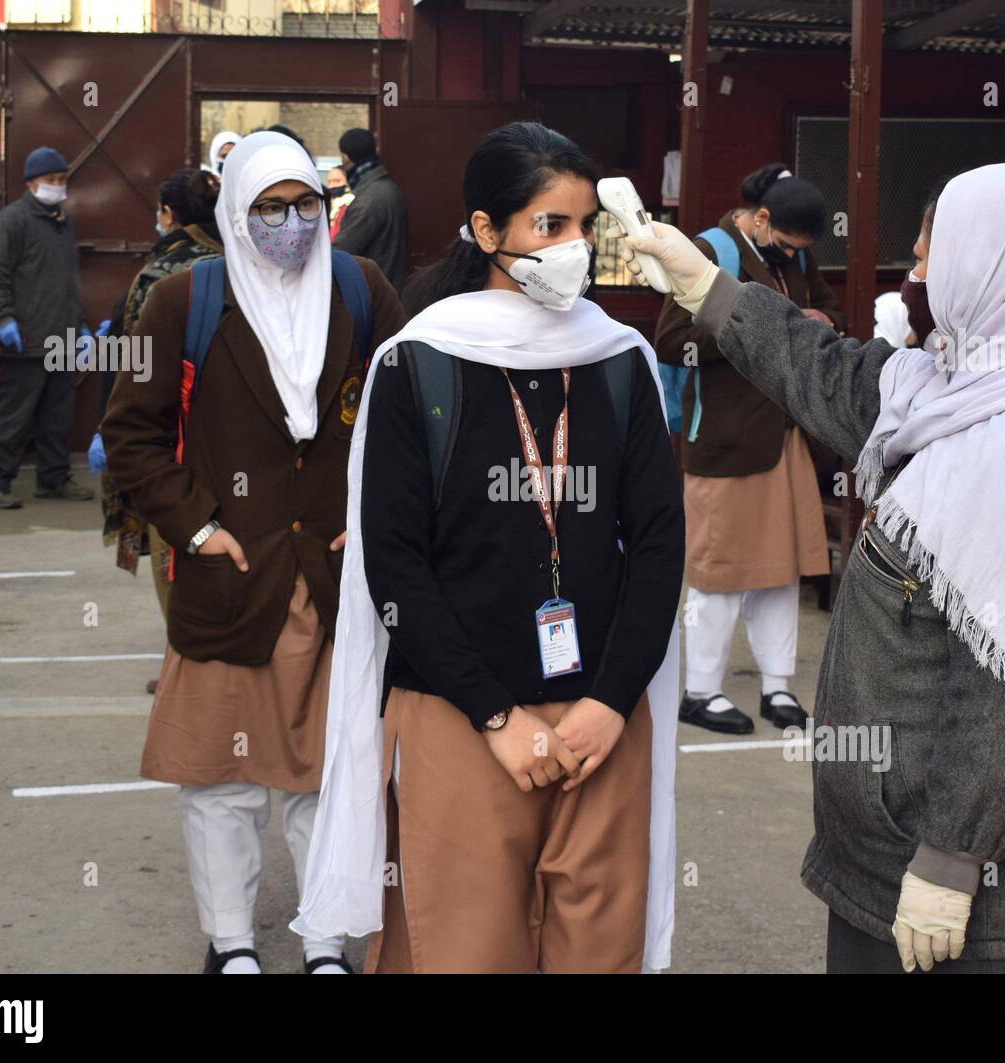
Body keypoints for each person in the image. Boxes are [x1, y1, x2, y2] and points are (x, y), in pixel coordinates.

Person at [620, 162, 1005, 973]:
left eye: (934, 250)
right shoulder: (952, 391)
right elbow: (827, 369)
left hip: (984, 916)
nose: (917, 270)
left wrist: (952, 857)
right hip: (892, 869)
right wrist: (708, 287)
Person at [291, 121, 684, 973]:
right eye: (552, 226)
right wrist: (497, 717)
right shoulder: (418, 365)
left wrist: (612, 701)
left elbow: (657, 546)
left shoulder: (621, 361)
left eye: (587, 227)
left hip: (601, 722)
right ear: (485, 230)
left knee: (599, 951)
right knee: (462, 948)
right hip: (459, 719)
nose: (576, 249)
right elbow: (394, 563)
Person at [101, 131, 406, 975]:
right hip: (231, 578)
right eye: (269, 208)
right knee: (223, 782)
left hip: (335, 578)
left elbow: (414, 411)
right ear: (237, 212)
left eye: (306, 203)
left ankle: (323, 940)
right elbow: (129, 433)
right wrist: (197, 527)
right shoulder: (183, 302)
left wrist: (379, 513)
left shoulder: (360, 289)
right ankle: (231, 940)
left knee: (327, 773)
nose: (291, 223)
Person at [656, 165, 840, 734]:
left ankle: (777, 687)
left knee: (781, 572)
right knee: (719, 574)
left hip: (785, 437)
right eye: (783, 245)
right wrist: (752, 327)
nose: (790, 257)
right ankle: (700, 692)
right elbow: (669, 341)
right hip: (726, 439)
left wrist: (820, 319)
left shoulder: (798, 257)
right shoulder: (709, 254)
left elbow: (830, 310)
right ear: (761, 220)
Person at [92, 169, 224, 694]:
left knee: (175, 546)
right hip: (230, 437)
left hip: (171, 437)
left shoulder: (161, 274)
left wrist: (113, 427)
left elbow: (136, 366)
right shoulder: (234, 262)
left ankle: (184, 661)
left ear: (168, 215)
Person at [0, 146, 96, 509]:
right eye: (50, 180)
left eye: (62, 180)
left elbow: (67, 282)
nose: (58, 186)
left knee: (57, 418)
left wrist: (79, 327)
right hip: (26, 341)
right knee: (12, 417)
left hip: (60, 340)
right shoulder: (12, 221)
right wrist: (5, 319)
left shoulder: (63, 223)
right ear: (31, 183)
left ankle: (54, 479)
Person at [333, 127, 409, 288]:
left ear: (347, 159)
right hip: (389, 284)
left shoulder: (368, 199)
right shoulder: (387, 187)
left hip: (374, 289)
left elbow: (340, 252)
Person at [324, 166, 354, 240]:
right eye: (329, 182)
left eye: (337, 181)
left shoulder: (351, 204)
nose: (332, 185)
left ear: (348, 181)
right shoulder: (326, 205)